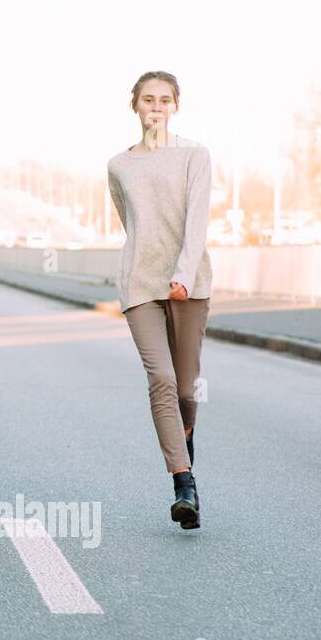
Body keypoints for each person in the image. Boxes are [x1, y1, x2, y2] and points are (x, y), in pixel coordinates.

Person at [107, 70, 212, 530]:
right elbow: (131, 222)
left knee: (187, 389)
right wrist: (145, 269)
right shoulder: (119, 165)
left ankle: (182, 438)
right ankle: (182, 483)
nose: (156, 106)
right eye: (148, 99)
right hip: (139, 286)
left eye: (164, 99)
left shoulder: (195, 155)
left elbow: (197, 221)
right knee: (163, 380)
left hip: (188, 285)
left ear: (175, 106)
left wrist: (182, 275)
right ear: (135, 106)